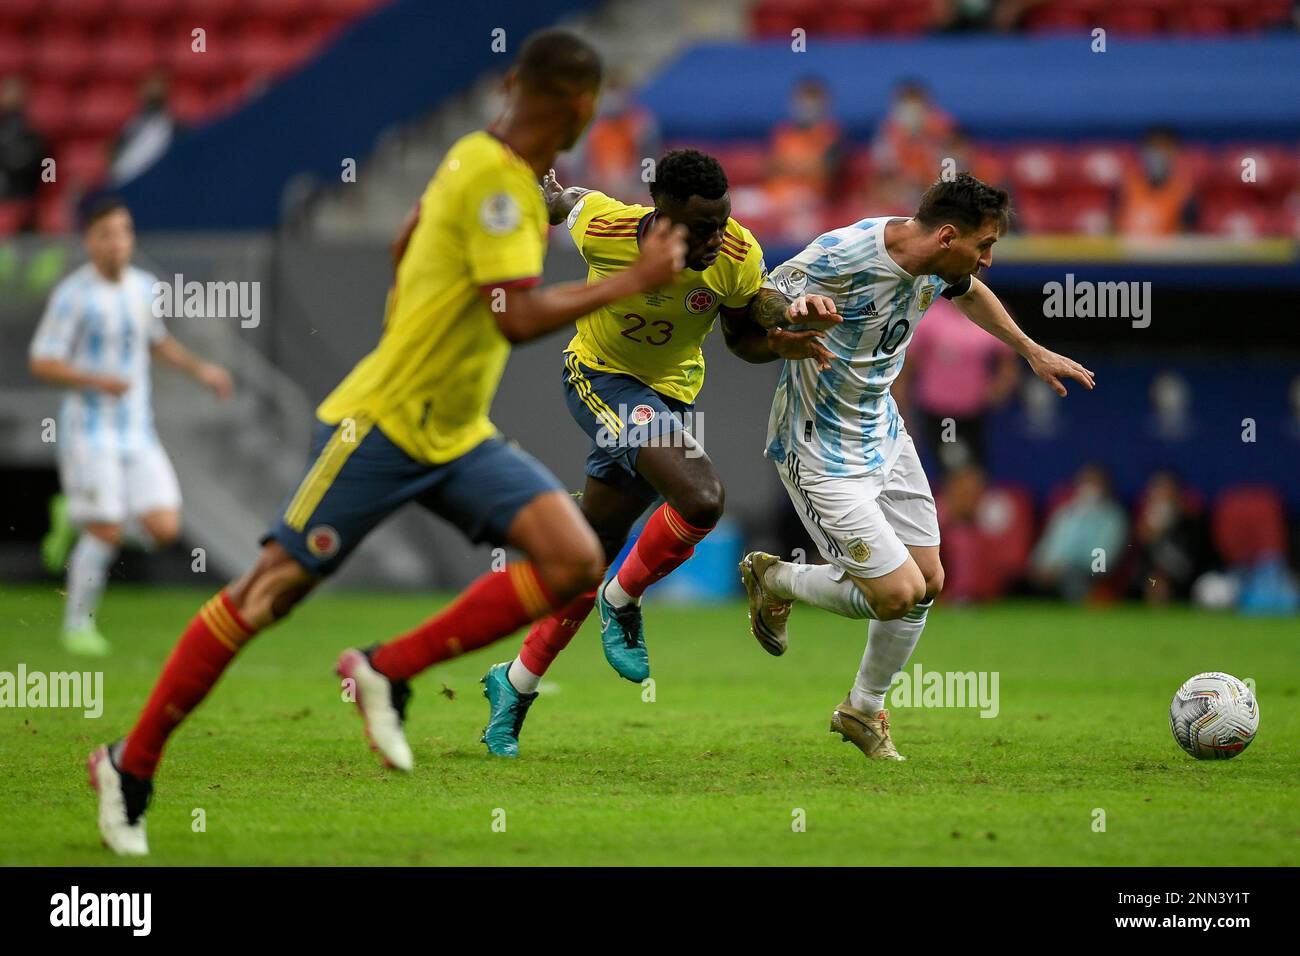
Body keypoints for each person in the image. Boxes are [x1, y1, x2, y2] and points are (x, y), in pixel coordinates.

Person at [87, 29, 688, 856]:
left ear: (516, 83)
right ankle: (129, 764)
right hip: (386, 423)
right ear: (583, 108)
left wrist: (413, 308)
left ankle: (386, 669)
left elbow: (411, 236)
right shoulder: (499, 187)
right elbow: (513, 318)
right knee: (269, 595)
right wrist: (635, 280)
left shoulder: (477, 162)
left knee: (574, 559)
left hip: (455, 431)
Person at [480, 149, 837, 757]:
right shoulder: (607, 228)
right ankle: (622, 601)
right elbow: (562, 202)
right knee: (701, 497)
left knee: (584, 557)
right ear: (659, 216)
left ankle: (512, 685)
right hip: (599, 377)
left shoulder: (736, 254)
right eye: (701, 228)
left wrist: (783, 341)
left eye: (722, 222)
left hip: (667, 398)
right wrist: (537, 190)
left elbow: (743, 338)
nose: (715, 239)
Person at [739, 173, 1094, 761]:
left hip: (884, 434)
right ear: (949, 236)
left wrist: (1030, 349)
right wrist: (792, 309)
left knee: (927, 582)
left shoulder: (942, 267)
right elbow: (759, 299)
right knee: (896, 592)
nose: (986, 261)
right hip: (818, 446)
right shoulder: (844, 254)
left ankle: (860, 709)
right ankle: (774, 579)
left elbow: (970, 293)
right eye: (984, 247)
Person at [29, 198, 233, 657]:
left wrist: (203, 370)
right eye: (106, 234)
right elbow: (42, 361)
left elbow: (157, 341)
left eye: (124, 232)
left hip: (137, 430)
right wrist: (95, 380)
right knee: (106, 531)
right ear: (90, 241)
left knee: (164, 528)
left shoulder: (144, 288)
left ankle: (74, 514)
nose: (117, 242)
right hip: (89, 431)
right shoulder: (73, 296)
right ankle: (77, 624)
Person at [893, 292, 1019, 471]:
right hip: (941, 416)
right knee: (954, 470)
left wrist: (998, 390)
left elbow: (1009, 360)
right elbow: (906, 368)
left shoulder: (992, 311)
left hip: (976, 415)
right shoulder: (930, 314)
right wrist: (902, 413)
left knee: (976, 473)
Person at [1029, 463, 1127, 601]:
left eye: (1094, 483)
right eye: (1085, 482)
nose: (1088, 488)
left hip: (1084, 575)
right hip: (1050, 574)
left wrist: (1065, 565)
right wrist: (1042, 566)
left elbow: (1102, 562)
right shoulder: (1064, 513)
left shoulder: (1113, 518)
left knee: (1074, 580)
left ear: (1105, 486)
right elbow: (1046, 546)